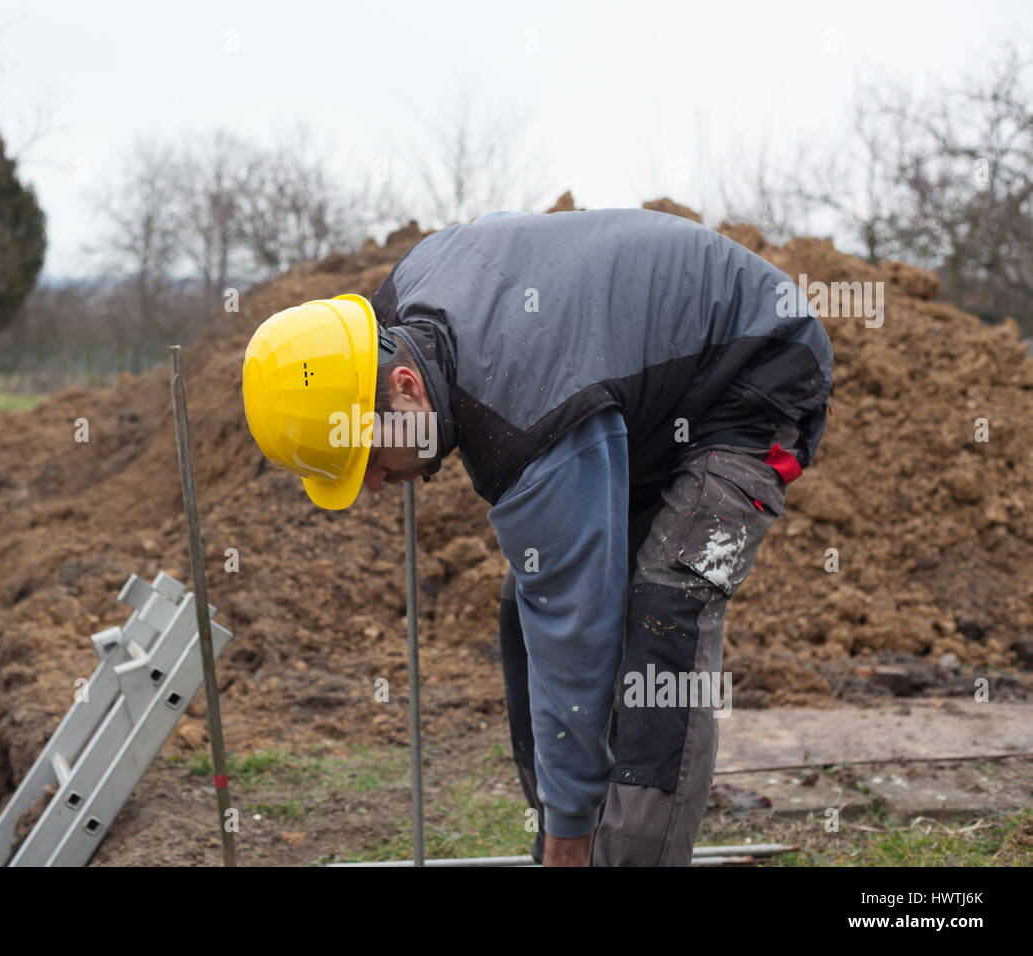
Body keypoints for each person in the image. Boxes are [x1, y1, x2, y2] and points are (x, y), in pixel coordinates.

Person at [241, 207, 833, 866]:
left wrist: (570, 835)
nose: (376, 484)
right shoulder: (391, 321)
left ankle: (607, 854)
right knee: (525, 601)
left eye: (369, 459)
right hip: (638, 397)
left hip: (758, 371)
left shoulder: (524, 419)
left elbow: (575, 641)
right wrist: (563, 821)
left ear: (405, 388)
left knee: (667, 617)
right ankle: (558, 833)